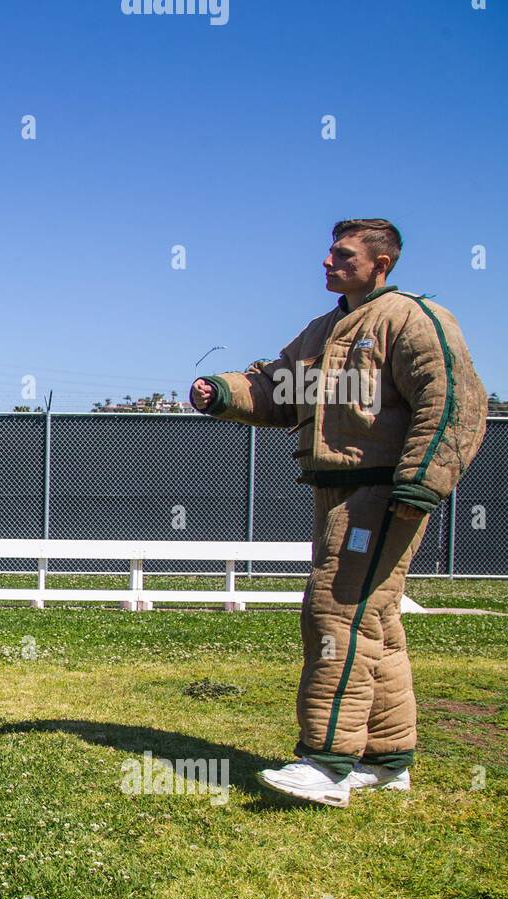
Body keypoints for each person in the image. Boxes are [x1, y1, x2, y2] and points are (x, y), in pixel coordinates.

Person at [190, 219, 486, 807]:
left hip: (384, 490)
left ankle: (327, 763)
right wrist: (222, 392)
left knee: (336, 611)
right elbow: (278, 388)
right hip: (335, 490)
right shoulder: (324, 330)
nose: (328, 262)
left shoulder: (412, 318)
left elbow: (453, 400)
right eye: (329, 252)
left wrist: (422, 481)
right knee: (376, 622)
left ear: (381, 263)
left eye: (344, 255)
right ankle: (386, 759)